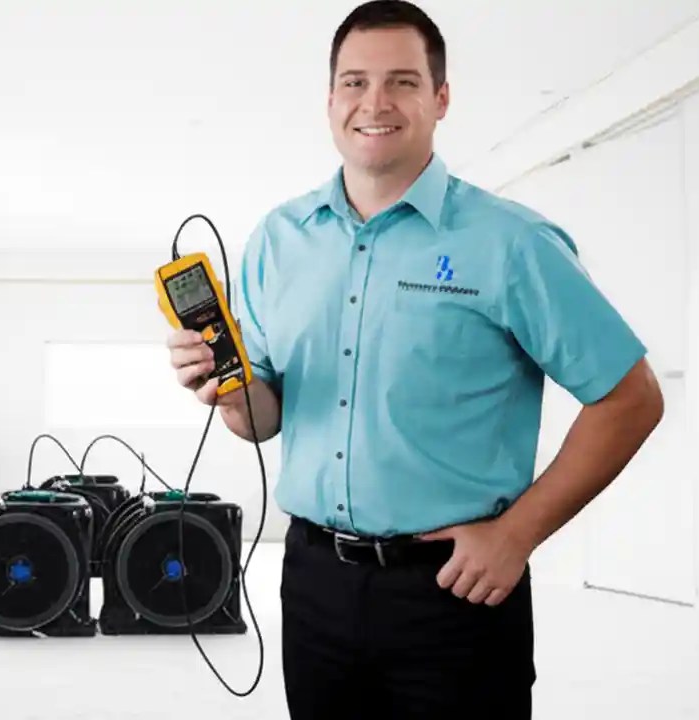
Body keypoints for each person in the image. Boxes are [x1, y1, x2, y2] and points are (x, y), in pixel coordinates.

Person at [165, 1, 665, 717]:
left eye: (402, 82)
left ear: (440, 99)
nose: (375, 102)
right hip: (312, 583)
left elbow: (632, 397)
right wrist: (225, 391)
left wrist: (516, 535)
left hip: (454, 590)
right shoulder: (279, 240)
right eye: (354, 82)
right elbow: (265, 416)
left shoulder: (511, 243)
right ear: (330, 98)